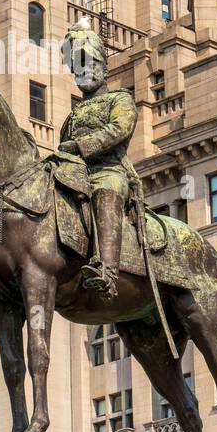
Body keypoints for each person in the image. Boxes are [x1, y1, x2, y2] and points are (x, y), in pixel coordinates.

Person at [59, 21, 138, 300]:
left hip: (109, 170)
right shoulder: (71, 116)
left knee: (105, 190)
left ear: (104, 67)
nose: (82, 71)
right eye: (76, 67)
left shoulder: (120, 100)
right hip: (76, 175)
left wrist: (81, 146)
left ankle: (107, 272)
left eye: (88, 63)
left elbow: (119, 130)